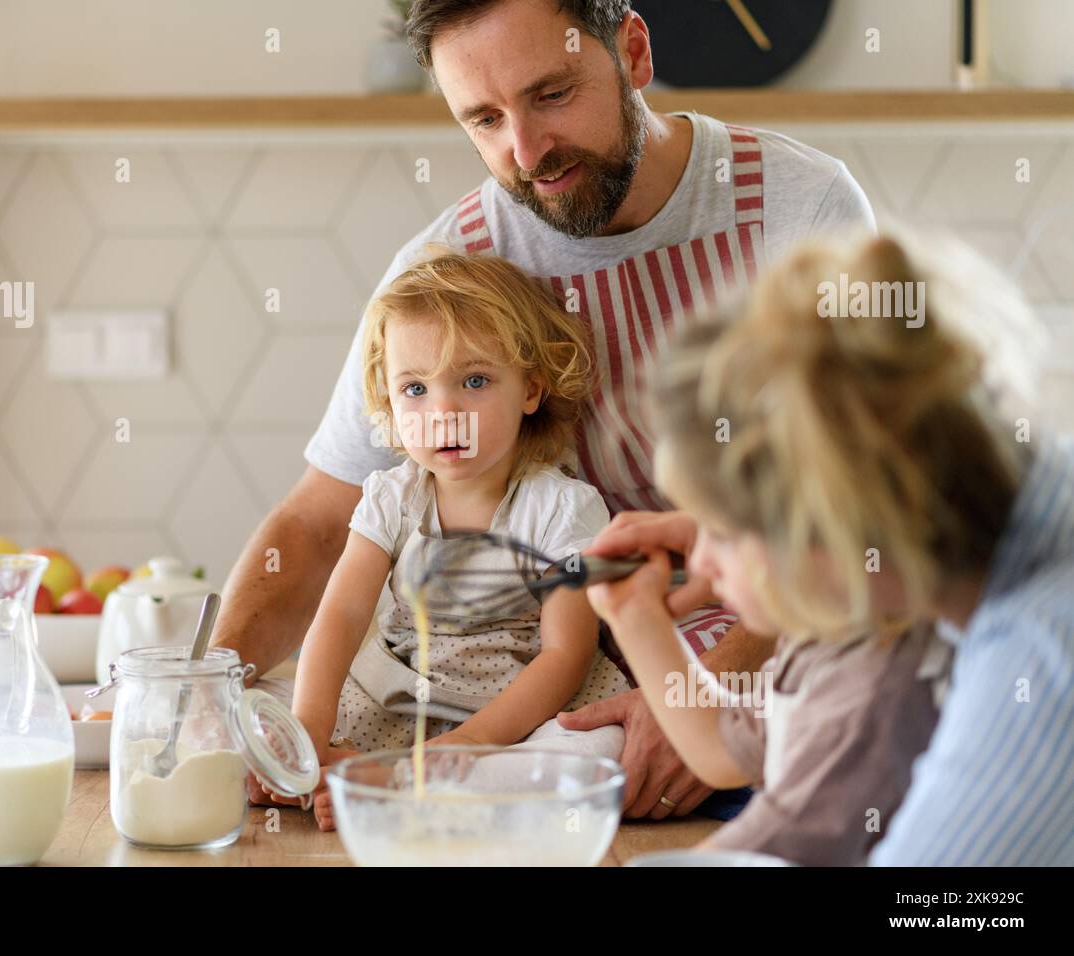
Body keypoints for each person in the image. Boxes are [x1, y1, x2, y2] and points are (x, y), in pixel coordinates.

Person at [212, 0, 875, 819]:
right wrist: (209, 703)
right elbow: (317, 526)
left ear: (633, 50)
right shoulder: (444, 271)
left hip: (778, 664)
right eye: (483, 119)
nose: (524, 152)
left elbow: (859, 515)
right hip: (565, 714)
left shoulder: (798, 210)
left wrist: (706, 700)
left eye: (552, 95)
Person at [586, 229, 1074, 865]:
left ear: (850, 528)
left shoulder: (1034, 663)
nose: (699, 560)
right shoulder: (979, 534)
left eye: (729, 532)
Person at [258, 247, 630, 830]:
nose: (444, 412)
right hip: (396, 697)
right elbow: (341, 613)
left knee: (602, 749)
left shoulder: (561, 508)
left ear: (530, 389)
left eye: (475, 380)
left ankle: (420, 783)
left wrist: (466, 747)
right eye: (415, 390)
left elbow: (565, 654)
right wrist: (308, 726)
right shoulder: (391, 497)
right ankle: (337, 773)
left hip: (511, 718)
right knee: (249, 720)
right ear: (387, 399)